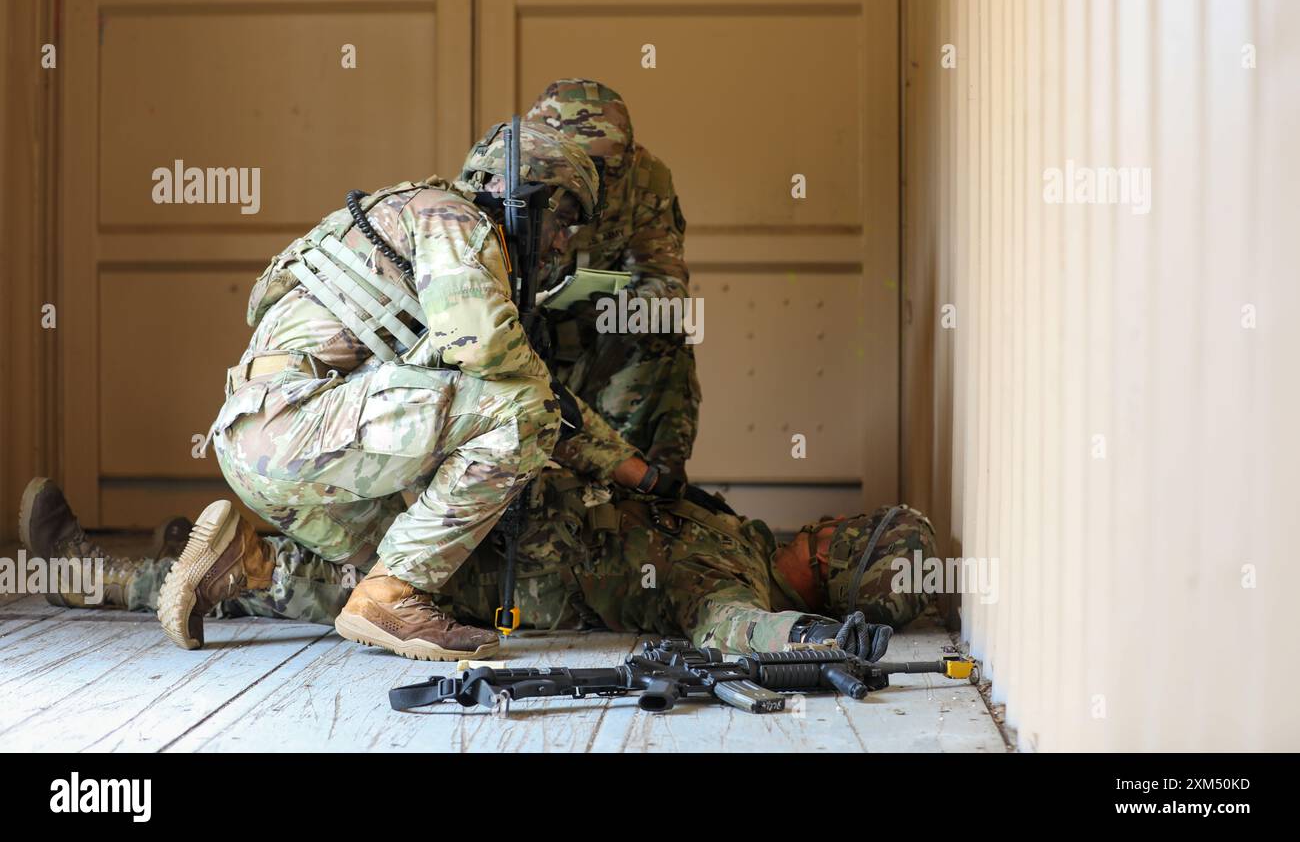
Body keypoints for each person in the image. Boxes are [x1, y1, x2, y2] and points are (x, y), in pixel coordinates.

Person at [157, 119, 648, 662]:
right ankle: (389, 598)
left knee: (434, 552)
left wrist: (628, 465)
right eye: (567, 217)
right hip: (298, 429)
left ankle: (243, 561)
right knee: (524, 410)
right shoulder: (452, 216)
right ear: (530, 193)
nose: (562, 240)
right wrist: (546, 401)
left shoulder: (404, 216)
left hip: (266, 443)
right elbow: (484, 351)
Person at [19, 467, 938, 659]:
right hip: (507, 520)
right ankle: (167, 555)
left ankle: (102, 570)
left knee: (303, 579)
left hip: (504, 586)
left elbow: (727, 629)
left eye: (836, 534)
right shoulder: (737, 535)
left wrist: (806, 638)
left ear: (828, 560)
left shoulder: (732, 583)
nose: (824, 522)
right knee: (336, 542)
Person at [525, 79, 701, 480]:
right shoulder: (505, 173)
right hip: (520, 347)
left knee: (671, 325)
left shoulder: (645, 180)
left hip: (594, 340)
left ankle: (641, 486)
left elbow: (665, 281)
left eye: (605, 176)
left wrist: (611, 308)